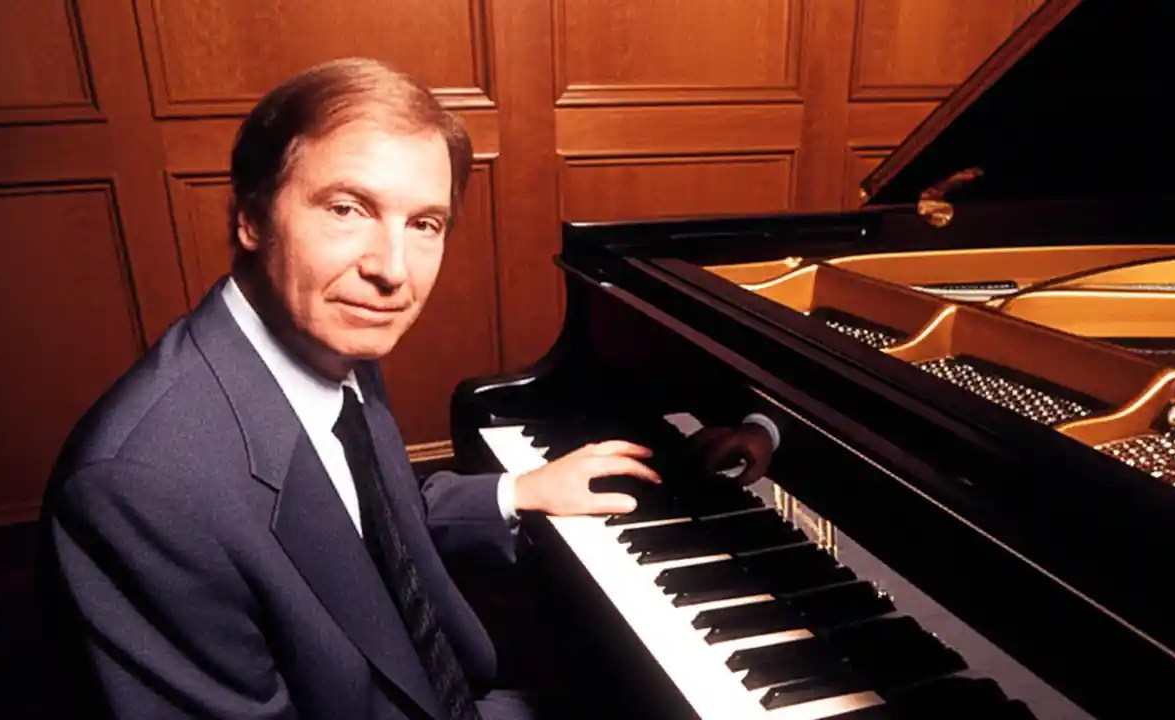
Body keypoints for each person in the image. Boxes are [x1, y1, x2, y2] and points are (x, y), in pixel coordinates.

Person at [38, 58, 778, 719]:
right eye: (347, 209)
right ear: (252, 218)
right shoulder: (139, 491)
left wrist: (513, 493)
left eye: (425, 223)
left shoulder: (325, 338)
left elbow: (348, 514)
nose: (393, 269)